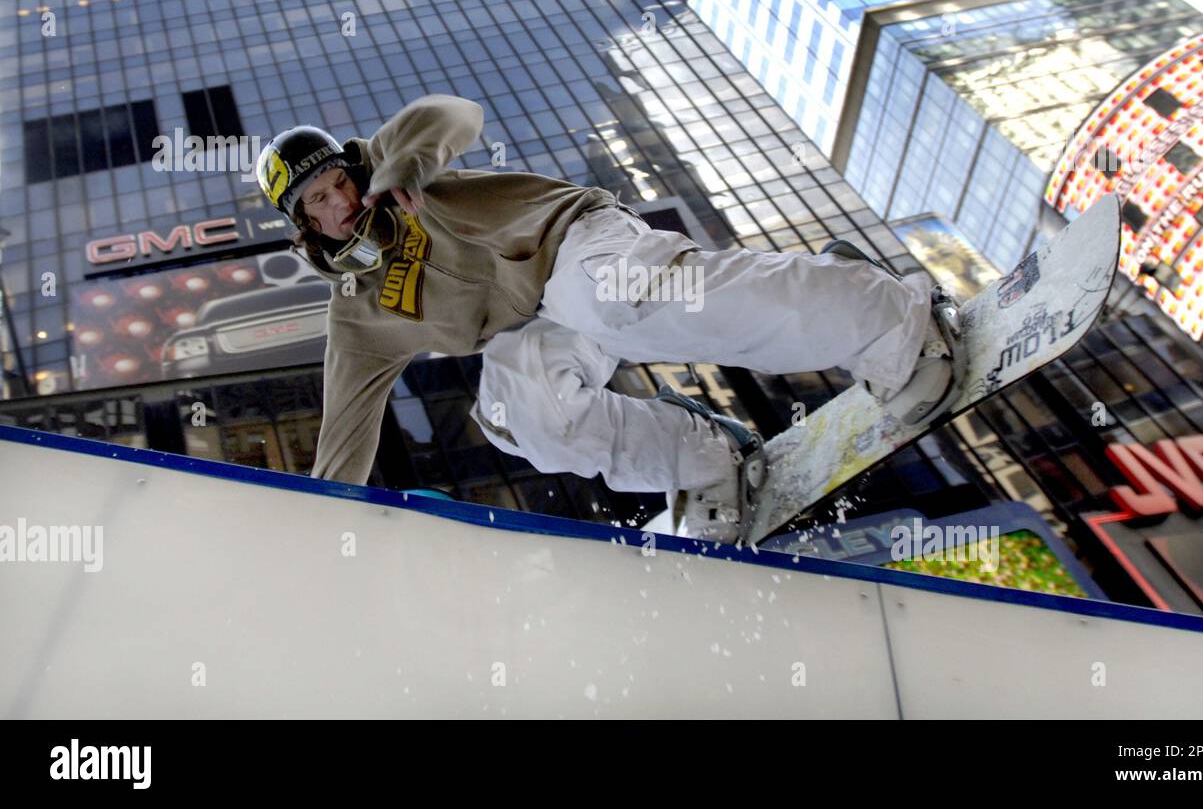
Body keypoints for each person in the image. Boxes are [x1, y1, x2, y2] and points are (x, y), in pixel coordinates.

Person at [254, 93, 964, 543]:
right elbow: (342, 438)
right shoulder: (357, 319)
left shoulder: (387, 162)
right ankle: (704, 457)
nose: (339, 202)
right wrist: (321, 532)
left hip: (574, 243)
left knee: (614, 300)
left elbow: (453, 113)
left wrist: (409, 161)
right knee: (518, 413)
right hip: (535, 326)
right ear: (304, 228)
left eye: (336, 181)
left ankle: (887, 315)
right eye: (316, 203)